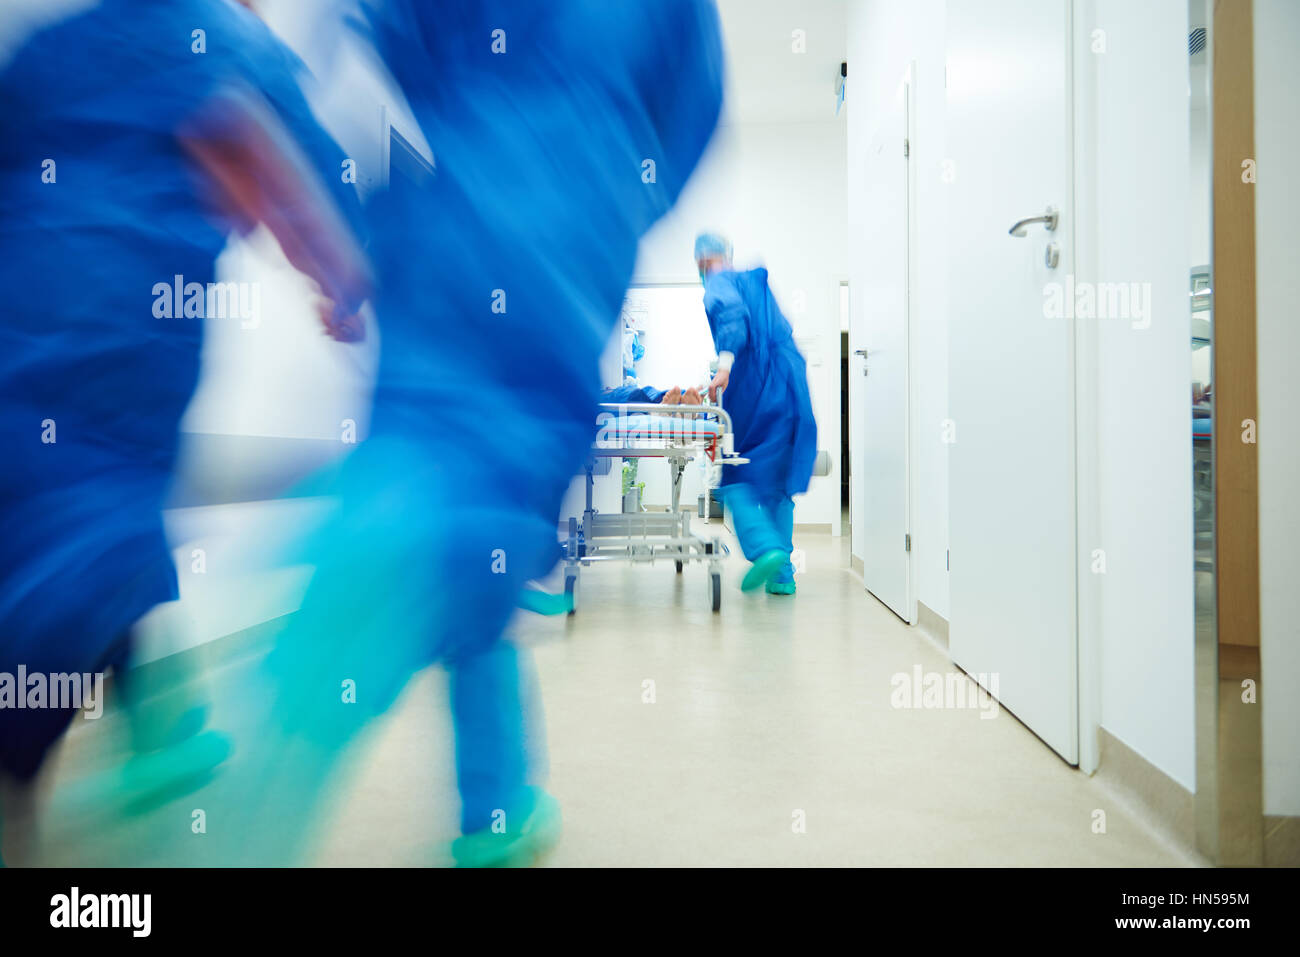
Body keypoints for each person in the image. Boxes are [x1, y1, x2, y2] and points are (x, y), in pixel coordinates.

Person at [227, 0, 726, 868]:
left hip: (454, 211)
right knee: (480, 513)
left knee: (448, 511)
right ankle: (486, 797)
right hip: (570, 219)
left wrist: (345, 227)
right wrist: (617, 181)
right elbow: (692, 111)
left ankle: (477, 798)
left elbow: (364, 48)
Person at [0, 0, 370, 862]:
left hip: (18, 320)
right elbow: (313, 173)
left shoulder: (58, 43)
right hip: (127, 338)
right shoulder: (228, 37)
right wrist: (340, 285)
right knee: (91, 542)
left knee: (63, 521)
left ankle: (163, 725)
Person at [694, 233, 817, 595]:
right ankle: (783, 578)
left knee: (734, 477)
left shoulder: (719, 281)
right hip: (792, 386)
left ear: (703, 262)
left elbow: (732, 318)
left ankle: (766, 550)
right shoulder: (757, 284)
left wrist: (725, 364)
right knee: (778, 488)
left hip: (756, 389)